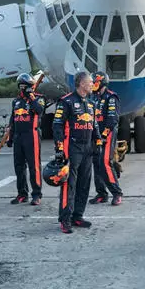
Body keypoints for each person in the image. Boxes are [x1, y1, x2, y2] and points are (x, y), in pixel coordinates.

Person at [53, 71, 100, 234]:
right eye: (90, 81)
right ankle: (65, 219)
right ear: (81, 83)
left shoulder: (91, 103)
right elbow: (57, 126)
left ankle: (77, 216)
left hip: (87, 148)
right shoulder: (66, 102)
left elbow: (94, 125)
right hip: (72, 148)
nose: (93, 84)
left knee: (84, 184)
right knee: (69, 184)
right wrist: (59, 148)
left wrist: (98, 141)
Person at [7, 73, 45, 206]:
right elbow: (12, 120)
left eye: (25, 86)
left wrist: (31, 97)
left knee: (34, 166)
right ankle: (22, 193)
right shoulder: (16, 101)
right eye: (21, 86)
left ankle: (37, 194)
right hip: (18, 135)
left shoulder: (39, 98)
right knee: (19, 166)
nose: (22, 89)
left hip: (32, 135)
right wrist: (10, 137)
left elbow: (40, 111)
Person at [89, 72, 123, 206]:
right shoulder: (93, 97)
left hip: (107, 134)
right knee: (96, 163)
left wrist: (104, 135)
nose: (92, 85)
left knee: (105, 162)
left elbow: (113, 119)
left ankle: (117, 193)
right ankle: (101, 193)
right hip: (95, 135)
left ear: (101, 83)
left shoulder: (111, 97)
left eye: (94, 82)